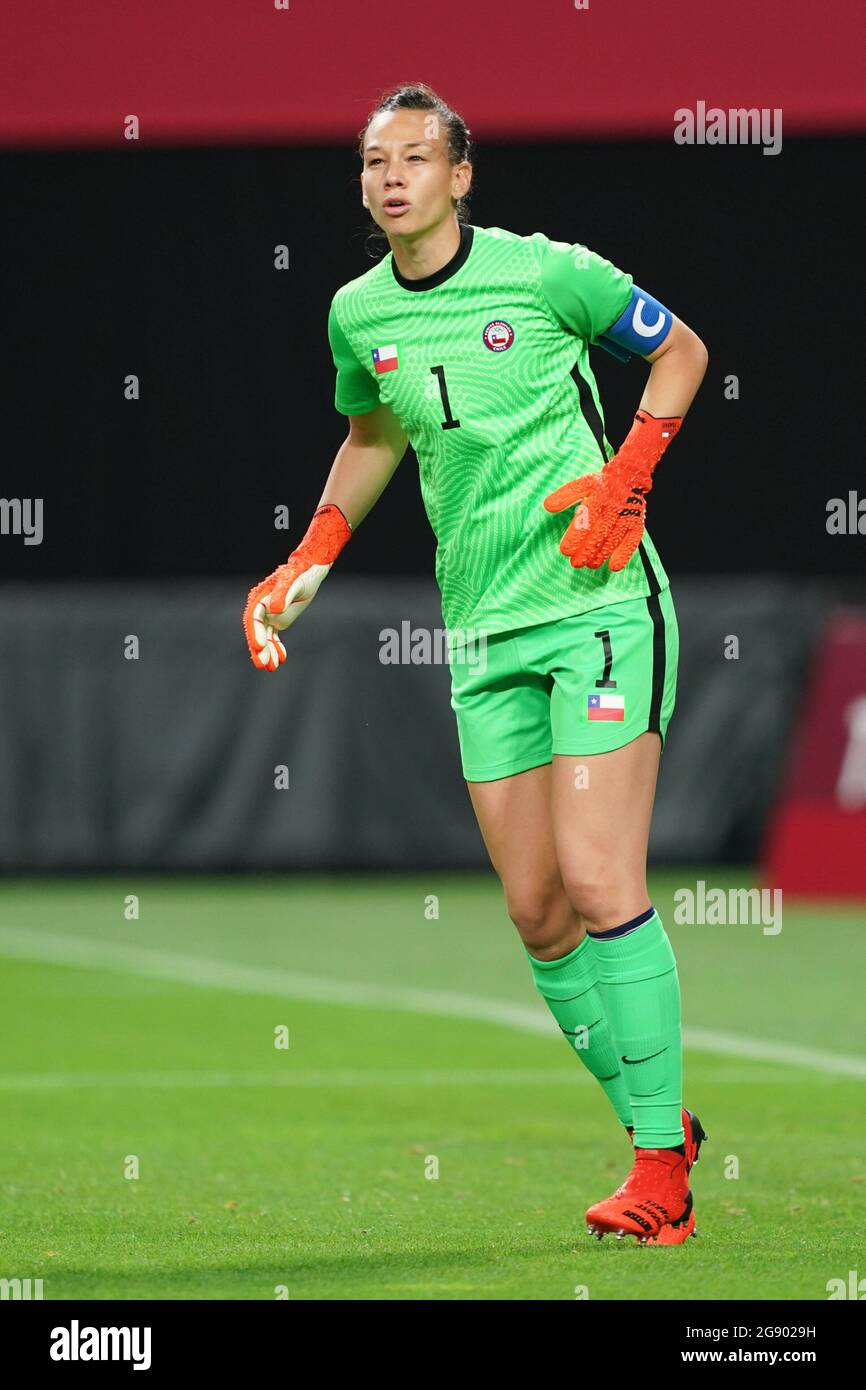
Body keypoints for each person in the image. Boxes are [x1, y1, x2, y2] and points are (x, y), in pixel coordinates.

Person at [243, 82, 709, 1245]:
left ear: (460, 176)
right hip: (481, 631)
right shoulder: (358, 313)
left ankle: (657, 1176)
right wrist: (307, 554)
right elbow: (372, 434)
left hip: (595, 605)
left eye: (416, 156)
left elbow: (683, 353)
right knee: (539, 914)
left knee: (601, 885)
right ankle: (659, 1124)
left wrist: (629, 473)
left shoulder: (547, 273)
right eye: (372, 161)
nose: (391, 175)